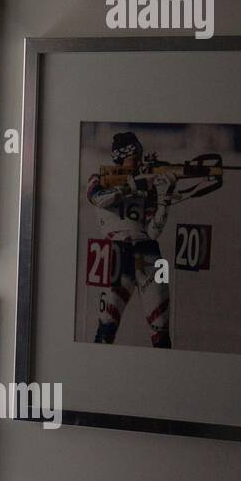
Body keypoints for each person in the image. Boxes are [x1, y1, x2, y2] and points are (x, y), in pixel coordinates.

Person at [85, 131, 176, 348]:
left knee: (161, 330)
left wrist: (165, 199)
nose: (137, 162)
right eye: (133, 157)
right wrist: (131, 187)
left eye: (139, 157)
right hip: (115, 255)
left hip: (149, 254)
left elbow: (153, 232)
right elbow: (98, 198)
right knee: (106, 328)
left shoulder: (148, 184)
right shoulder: (99, 179)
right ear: (120, 157)